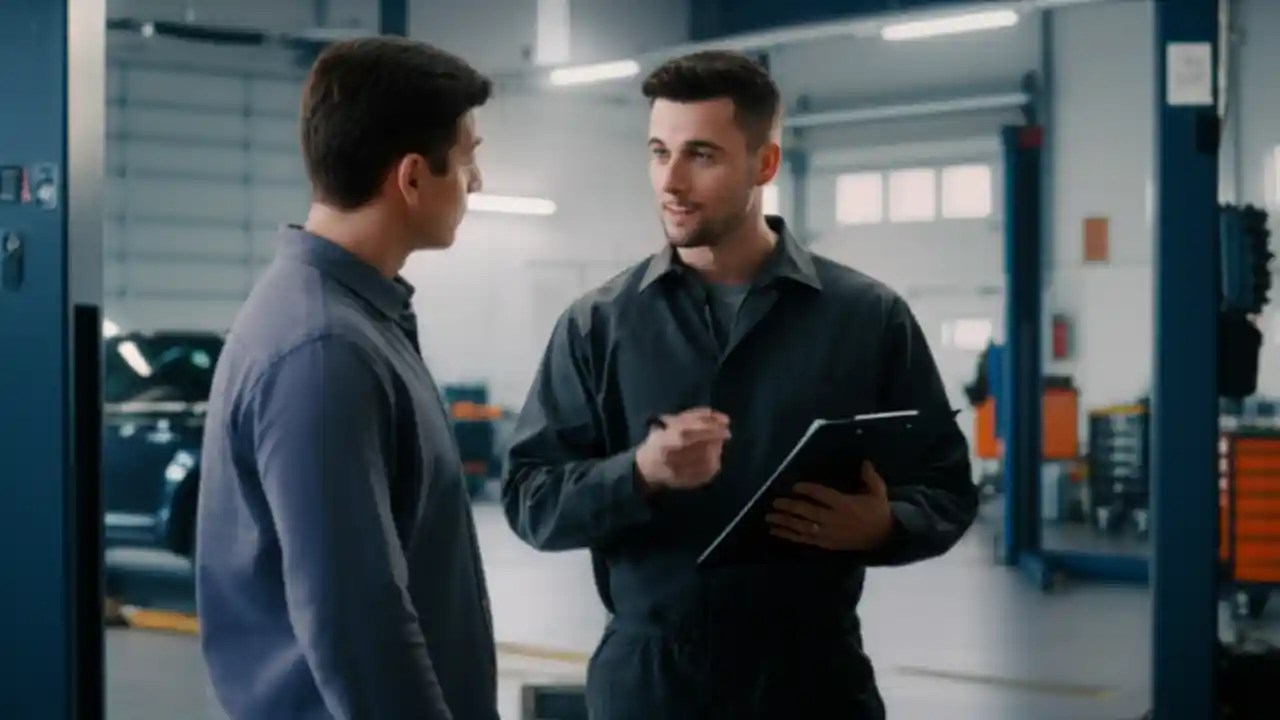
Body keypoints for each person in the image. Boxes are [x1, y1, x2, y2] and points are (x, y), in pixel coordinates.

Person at [502, 50, 977, 720]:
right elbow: (529, 497)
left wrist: (885, 524)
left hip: (813, 682)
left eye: (701, 154)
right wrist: (638, 473)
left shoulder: (867, 319)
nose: (671, 180)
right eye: (658, 151)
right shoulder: (597, 326)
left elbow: (946, 485)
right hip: (651, 684)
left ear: (764, 165)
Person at [196, 38, 498, 720]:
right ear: (413, 177)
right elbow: (357, 622)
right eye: (471, 155)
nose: (477, 180)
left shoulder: (352, 320)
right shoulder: (325, 349)